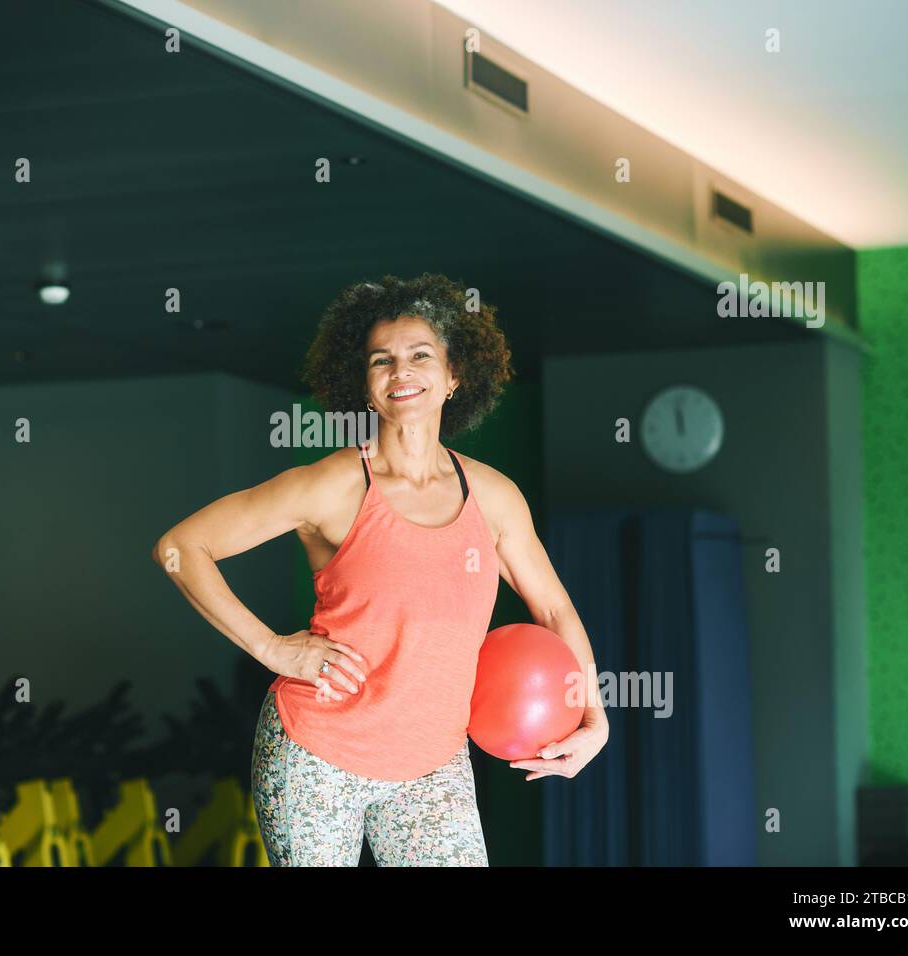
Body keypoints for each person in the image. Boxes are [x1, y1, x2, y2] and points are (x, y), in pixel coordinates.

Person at [152, 273, 608, 866]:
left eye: (421, 355)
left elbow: (553, 610)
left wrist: (593, 717)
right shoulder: (332, 486)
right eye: (381, 361)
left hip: (432, 769)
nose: (402, 372)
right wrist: (274, 649)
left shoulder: (493, 498)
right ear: (364, 386)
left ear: (454, 377)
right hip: (316, 753)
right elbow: (182, 547)